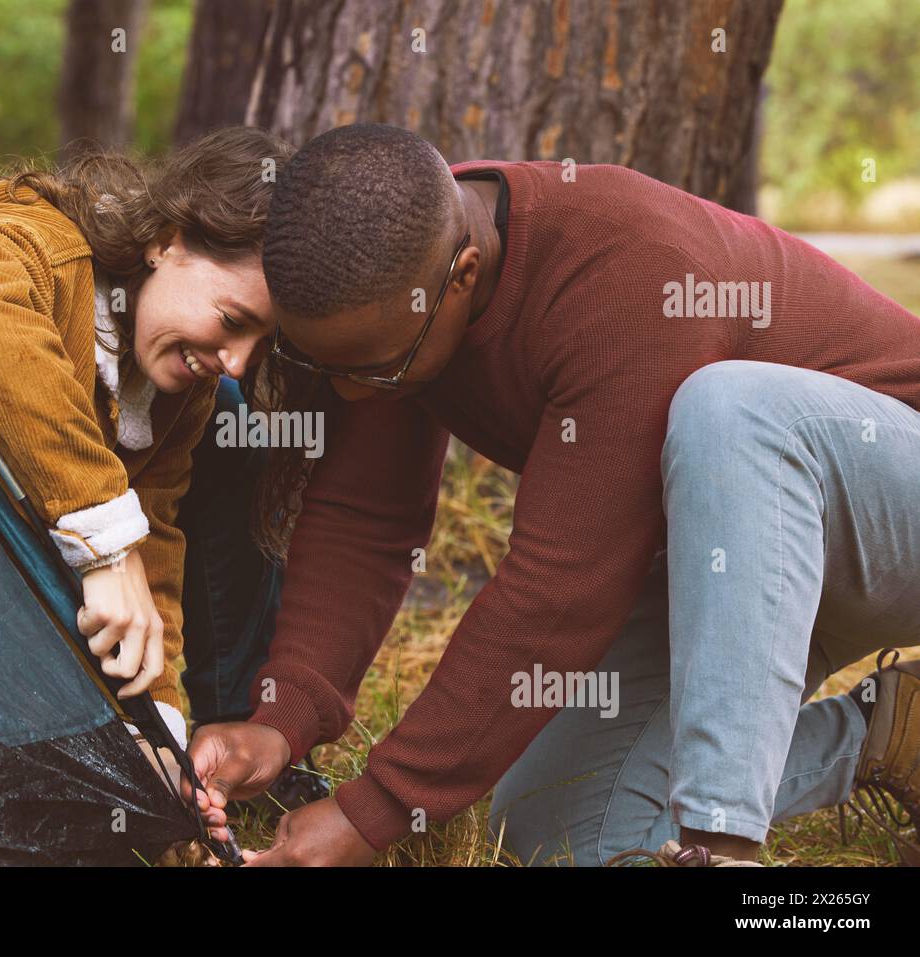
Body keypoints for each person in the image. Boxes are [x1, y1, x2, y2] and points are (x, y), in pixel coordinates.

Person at [185, 122, 920, 867]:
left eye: (371, 369)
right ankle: (890, 730)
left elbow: (560, 589)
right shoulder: (391, 279)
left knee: (729, 410)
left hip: (889, 508)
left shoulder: (629, 273)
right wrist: (282, 718)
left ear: (462, 276)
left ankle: (720, 849)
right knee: (557, 826)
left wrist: (373, 809)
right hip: (744, 568)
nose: (347, 392)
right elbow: (363, 518)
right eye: (319, 363)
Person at [0, 127, 318, 792]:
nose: (237, 361)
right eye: (233, 319)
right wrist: (107, 543)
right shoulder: (36, 244)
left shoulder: (185, 393)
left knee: (236, 423)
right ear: (168, 240)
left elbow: (158, 540)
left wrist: (160, 735)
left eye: (261, 344)